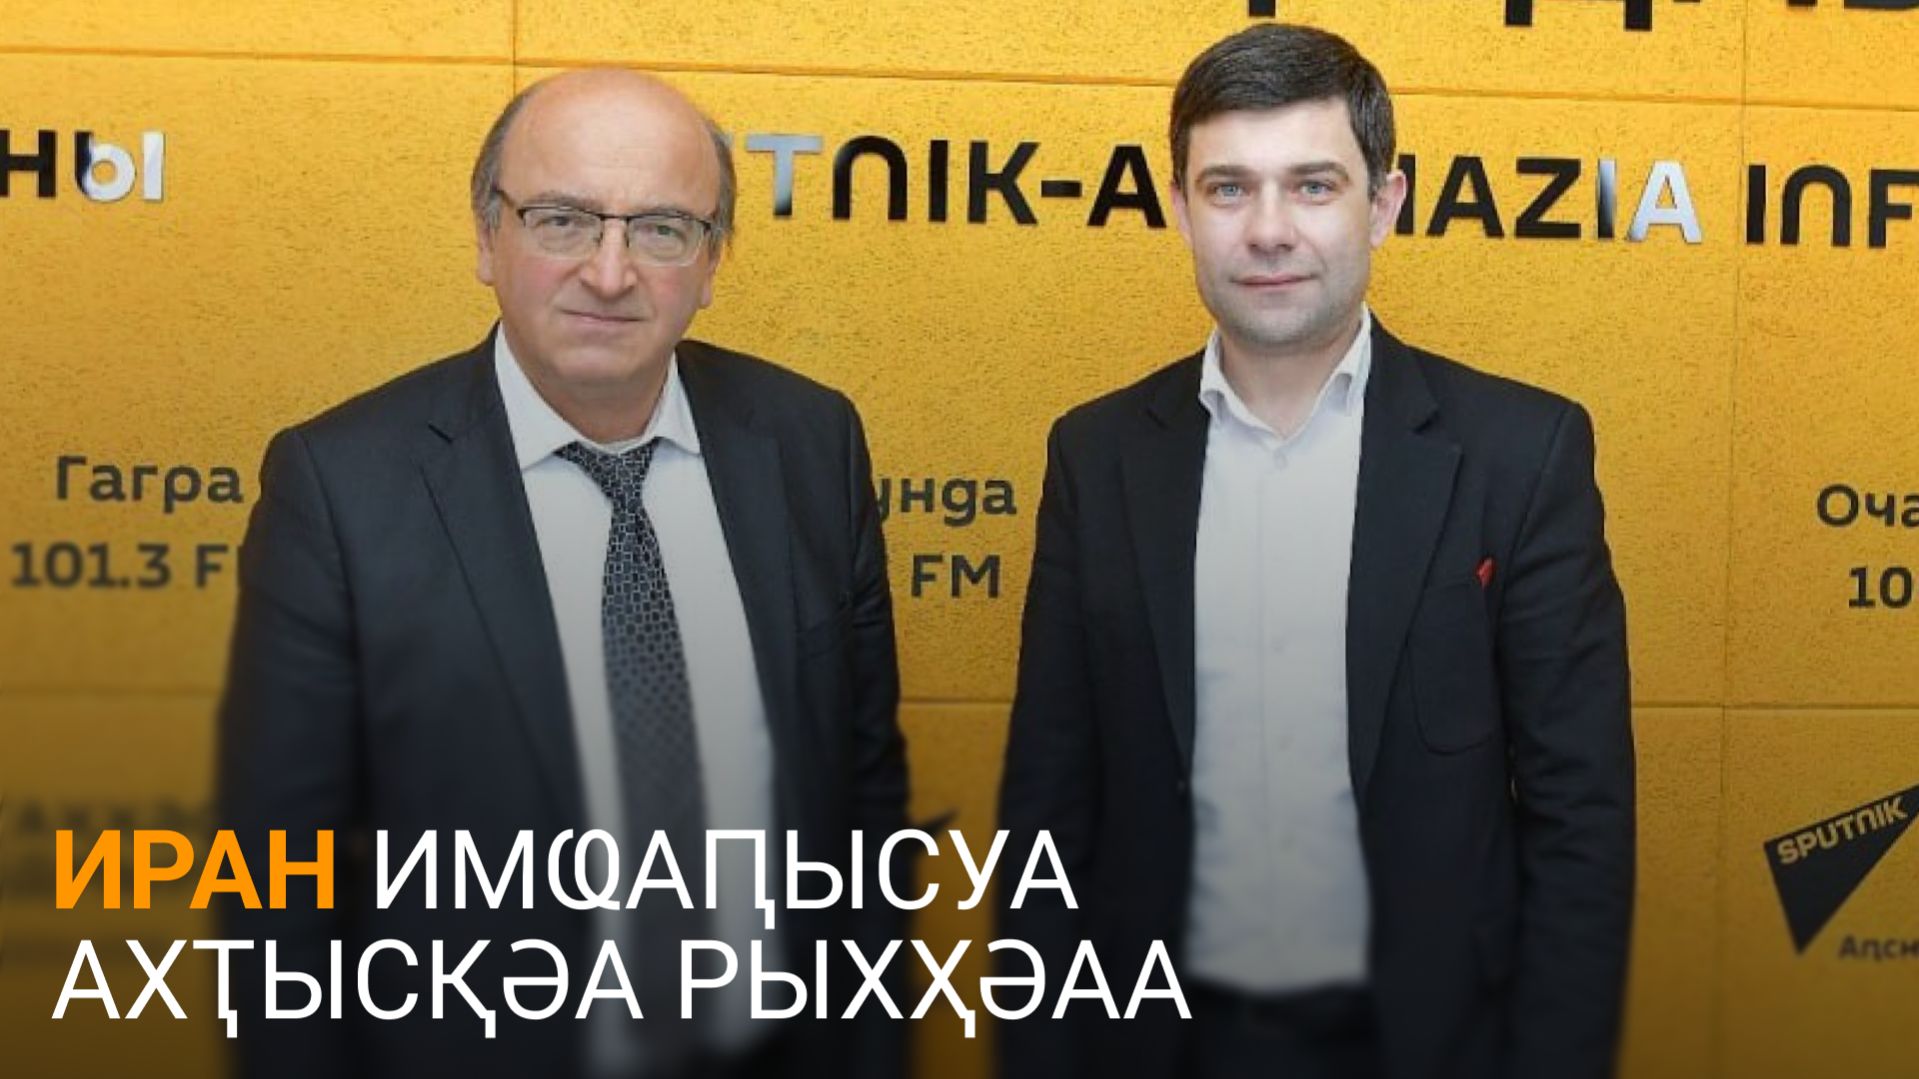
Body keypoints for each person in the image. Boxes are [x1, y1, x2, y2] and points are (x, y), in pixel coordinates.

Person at [217, 69, 907, 1079]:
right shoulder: (340, 486)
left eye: (662, 228)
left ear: (712, 262)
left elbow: (862, 802)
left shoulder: (811, 442)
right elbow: (276, 878)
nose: (610, 272)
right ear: (486, 237)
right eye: (562, 220)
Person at [996, 24, 1633, 1079]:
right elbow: (1047, 809)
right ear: (1179, 207)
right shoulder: (1096, 455)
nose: (1268, 230)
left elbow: (1581, 823)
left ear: (1382, 203)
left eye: (1312, 185)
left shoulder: (1522, 453)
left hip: (1428, 1042)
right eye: (1228, 189)